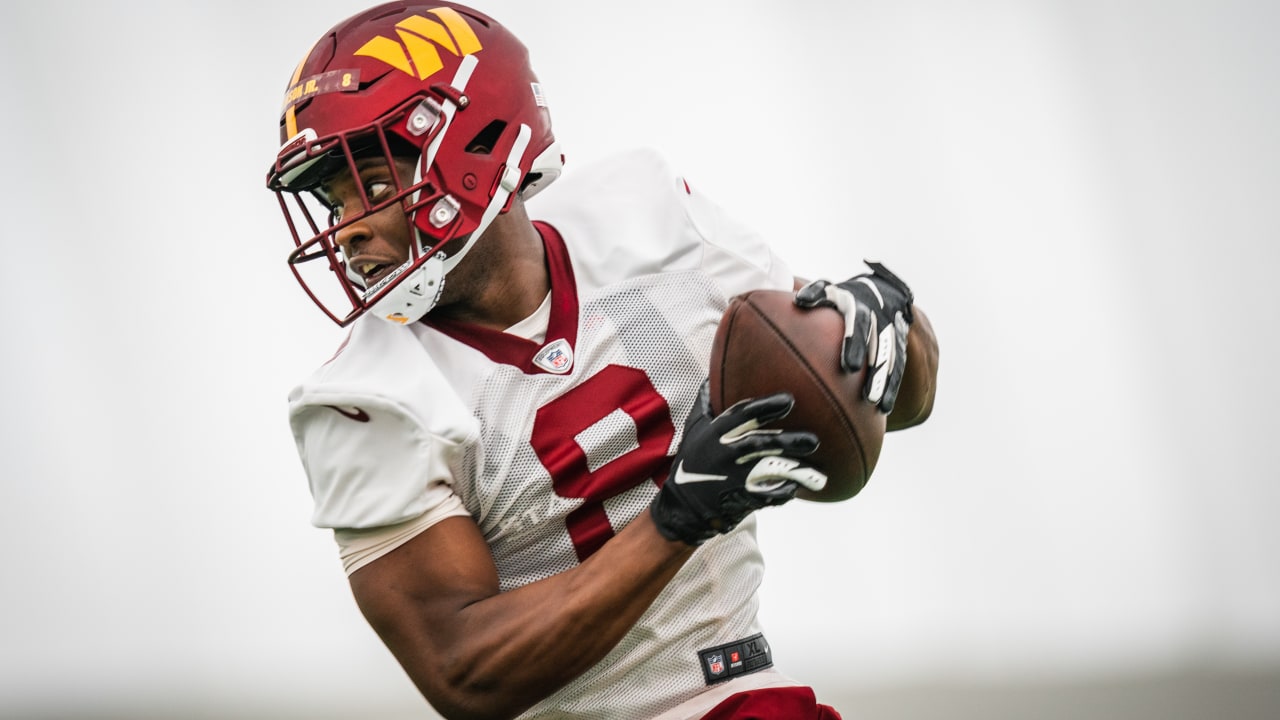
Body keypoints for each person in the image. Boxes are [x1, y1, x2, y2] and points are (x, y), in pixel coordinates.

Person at [266, 3, 938, 719]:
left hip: (740, 698)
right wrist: (678, 518)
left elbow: (893, 393)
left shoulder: (646, 222)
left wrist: (891, 330)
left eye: (370, 185)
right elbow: (462, 674)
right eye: (332, 202)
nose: (348, 230)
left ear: (476, 144)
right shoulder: (367, 398)